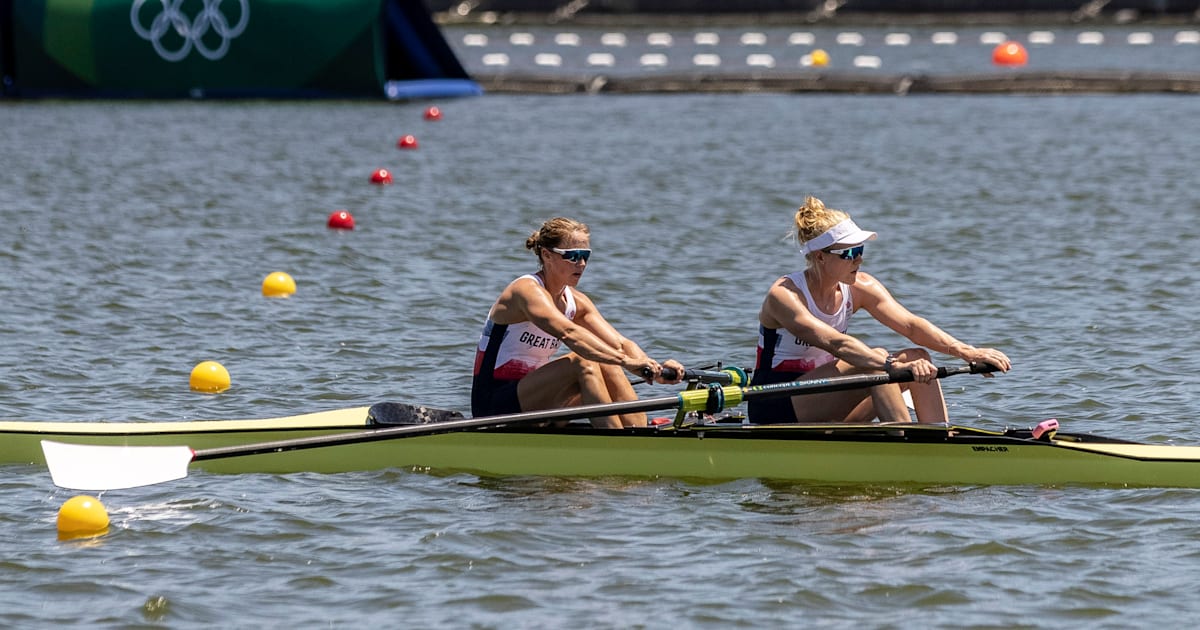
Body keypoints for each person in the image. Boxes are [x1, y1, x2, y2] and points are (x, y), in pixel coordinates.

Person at [748, 196, 1011, 424]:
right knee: (876, 362)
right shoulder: (785, 295)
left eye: (860, 250)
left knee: (916, 356)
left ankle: (939, 436)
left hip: (826, 396)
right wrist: (888, 364)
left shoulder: (860, 286)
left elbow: (910, 325)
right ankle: (905, 445)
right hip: (774, 404)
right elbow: (835, 343)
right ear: (820, 256)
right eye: (850, 253)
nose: (860, 259)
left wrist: (965, 351)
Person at [472, 217, 684, 428]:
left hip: (535, 397)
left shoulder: (576, 301)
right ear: (547, 255)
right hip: (493, 406)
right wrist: (626, 362)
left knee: (607, 359)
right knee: (583, 361)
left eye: (585, 256)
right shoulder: (526, 291)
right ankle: (618, 445)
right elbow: (569, 333)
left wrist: (654, 368)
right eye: (573, 256)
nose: (581, 264)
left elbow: (620, 345)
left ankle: (639, 433)